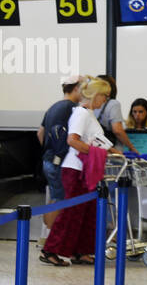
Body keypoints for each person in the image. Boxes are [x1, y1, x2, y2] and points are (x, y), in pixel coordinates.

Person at [41, 80, 120, 266]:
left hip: (85, 170)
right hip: (74, 169)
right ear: (95, 95)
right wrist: (98, 152)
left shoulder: (89, 114)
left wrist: (111, 151)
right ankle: (51, 250)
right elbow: (72, 140)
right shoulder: (81, 113)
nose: (106, 99)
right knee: (71, 212)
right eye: (104, 95)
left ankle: (80, 250)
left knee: (88, 212)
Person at [37, 75, 85, 230]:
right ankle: (50, 244)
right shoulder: (71, 108)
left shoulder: (53, 107)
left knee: (55, 197)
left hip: (49, 159)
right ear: (76, 88)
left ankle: (47, 238)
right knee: (60, 199)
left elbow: (40, 133)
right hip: (59, 161)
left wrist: (49, 149)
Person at [92, 77, 139, 154]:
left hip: (96, 150)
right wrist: (132, 147)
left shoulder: (90, 106)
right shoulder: (113, 104)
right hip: (113, 150)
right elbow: (117, 130)